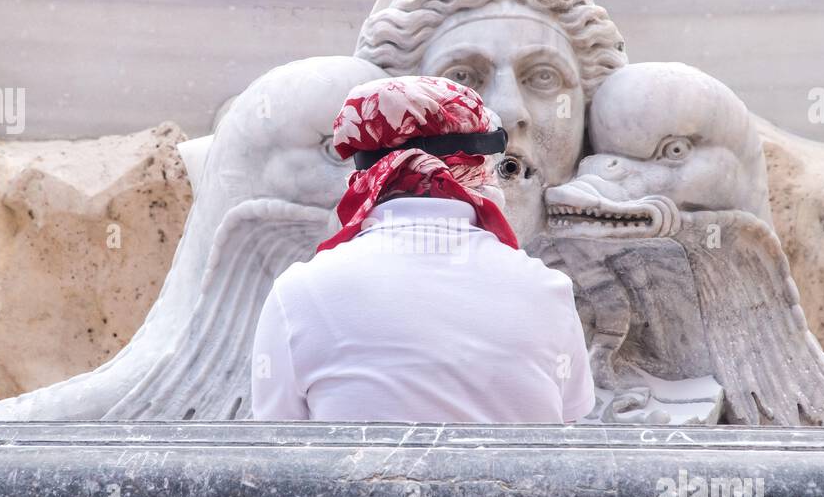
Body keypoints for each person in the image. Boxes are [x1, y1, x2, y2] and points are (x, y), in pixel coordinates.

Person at [250, 76, 595, 423]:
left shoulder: (296, 294)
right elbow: (568, 430)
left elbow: (278, 443)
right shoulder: (548, 291)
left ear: (364, 174)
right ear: (477, 171)